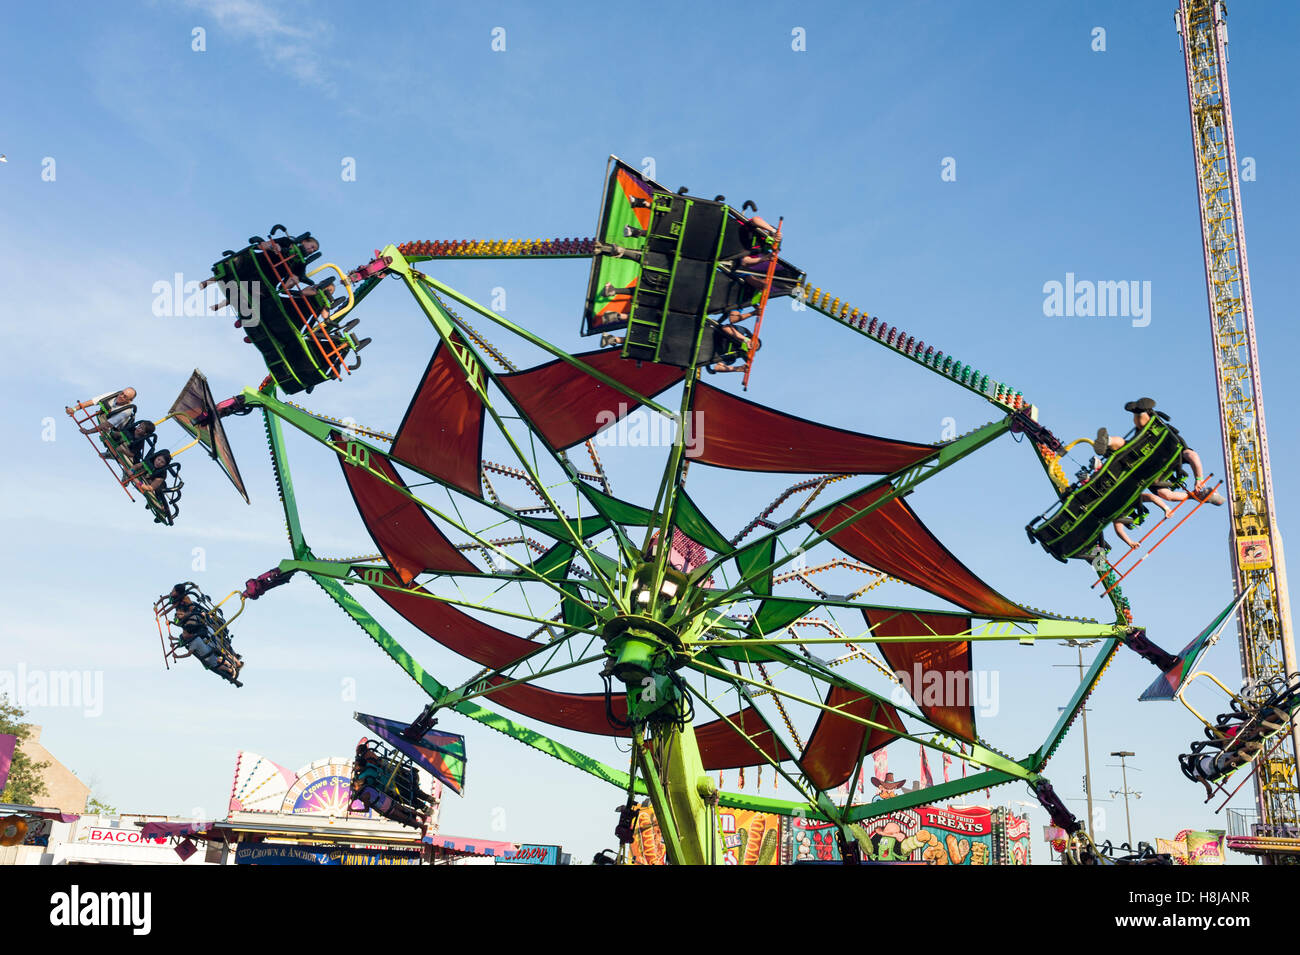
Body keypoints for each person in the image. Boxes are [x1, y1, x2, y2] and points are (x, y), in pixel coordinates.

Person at [1093, 397, 1225, 507]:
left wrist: (1191, 494)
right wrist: (1199, 479)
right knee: (1147, 435)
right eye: (1206, 491)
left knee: (1127, 445)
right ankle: (1140, 412)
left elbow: (1168, 496)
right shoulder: (1178, 459)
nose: (1201, 491)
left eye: (1203, 493)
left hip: (1147, 461)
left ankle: (1109, 440)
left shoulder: (1162, 482)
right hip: (1164, 447)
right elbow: (1192, 456)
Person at [68, 388, 137, 434]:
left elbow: (108, 424)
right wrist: (74, 409)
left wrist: (88, 431)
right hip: (104, 416)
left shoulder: (126, 411)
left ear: (129, 400)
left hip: (116, 429)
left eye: (125, 397)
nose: (121, 396)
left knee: (106, 428)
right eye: (122, 393)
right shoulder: (114, 394)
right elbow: (93, 401)